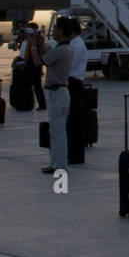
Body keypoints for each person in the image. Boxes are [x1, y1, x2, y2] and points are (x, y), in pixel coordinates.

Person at [39, 18, 73, 174]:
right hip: (61, 92)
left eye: (55, 28)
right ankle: (58, 162)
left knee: (57, 131)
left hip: (57, 93)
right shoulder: (65, 48)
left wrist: (34, 47)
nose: (53, 31)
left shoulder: (61, 50)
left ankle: (59, 165)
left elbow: (38, 62)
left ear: (61, 30)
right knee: (58, 130)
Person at [65, 17, 87, 164]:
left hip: (74, 83)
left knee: (75, 121)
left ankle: (76, 154)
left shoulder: (77, 46)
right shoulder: (74, 44)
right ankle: (73, 153)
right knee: (72, 121)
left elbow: (70, 66)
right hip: (72, 82)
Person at [20, 23, 46, 111]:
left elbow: (40, 51)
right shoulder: (27, 40)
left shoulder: (38, 39)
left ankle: (41, 104)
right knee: (32, 85)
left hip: (34, 65)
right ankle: (29, 102)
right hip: (29, 64)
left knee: (36, 85)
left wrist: (33, 42)